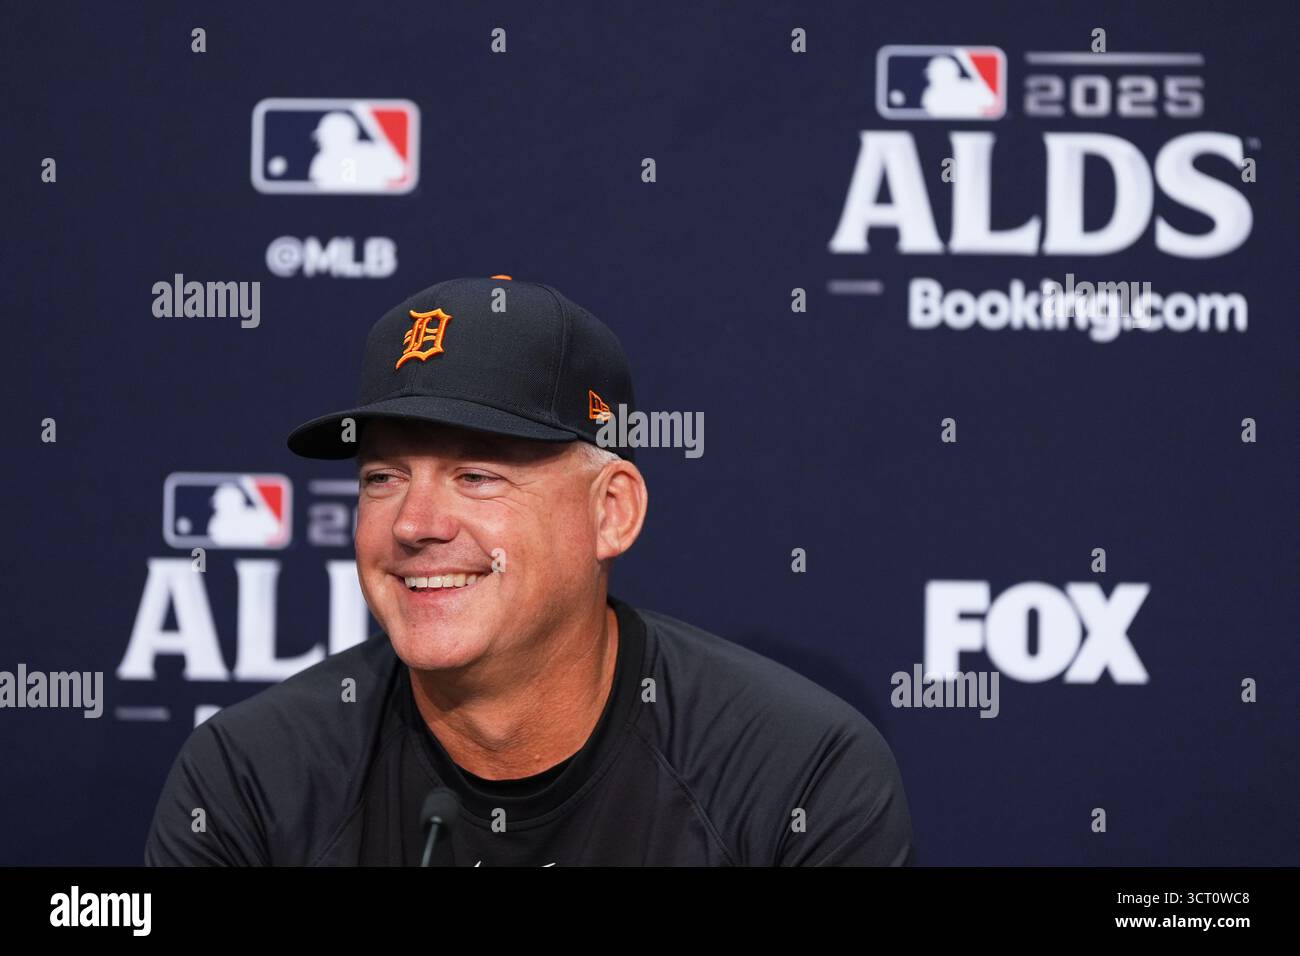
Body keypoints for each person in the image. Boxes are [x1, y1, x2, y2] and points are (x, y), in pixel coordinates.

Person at [144, 275, 914, 866]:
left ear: (611, 512)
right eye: (382, 477)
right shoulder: (250, 776)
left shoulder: (795, 773)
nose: (414, 524)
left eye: (477, 476)